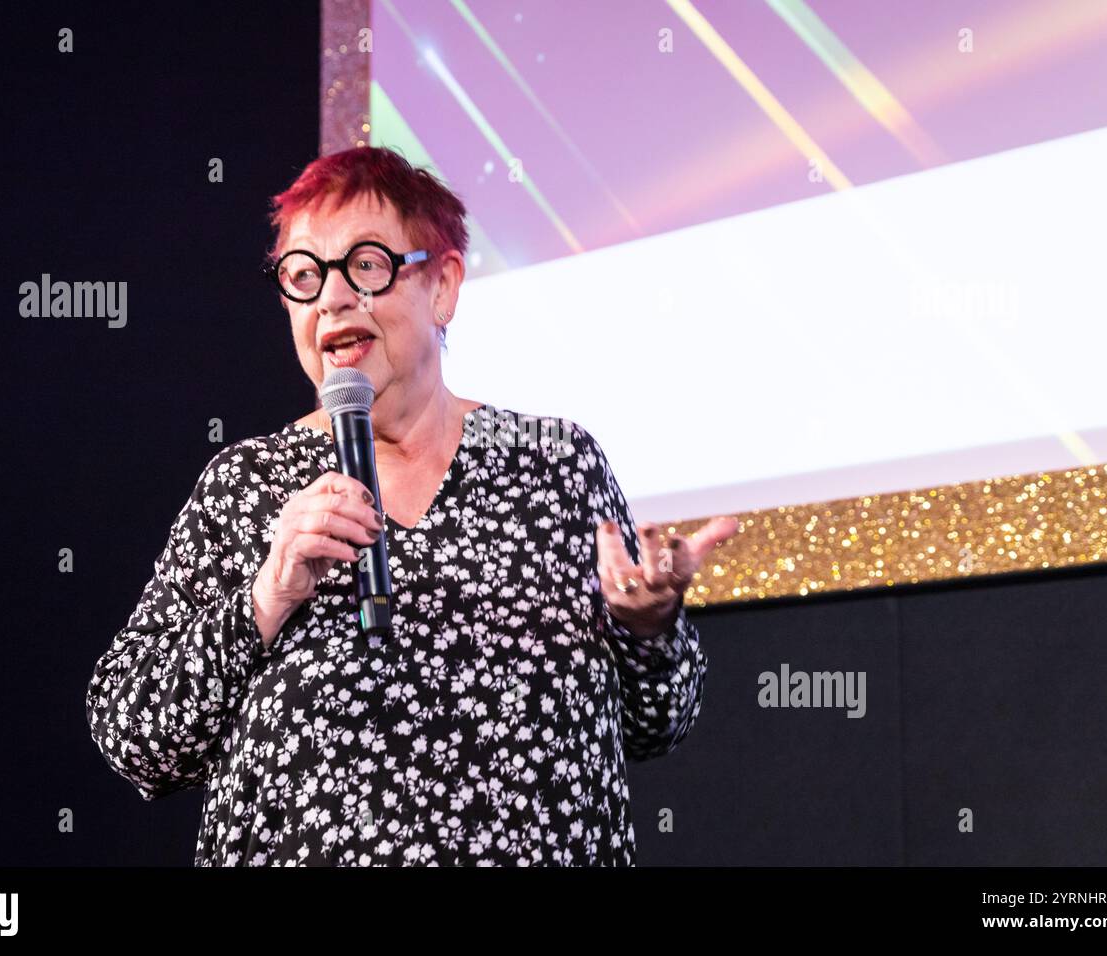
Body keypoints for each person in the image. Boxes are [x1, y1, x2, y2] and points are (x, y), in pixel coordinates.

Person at [85, 146, 739, 865]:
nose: (331, 298)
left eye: (365, 265)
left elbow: (660, 723)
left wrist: (648, 631)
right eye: (303, 276)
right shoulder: (246, 486)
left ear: (444, 287)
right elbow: (133, 738)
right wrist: (263, 600)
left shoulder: (556, 466)